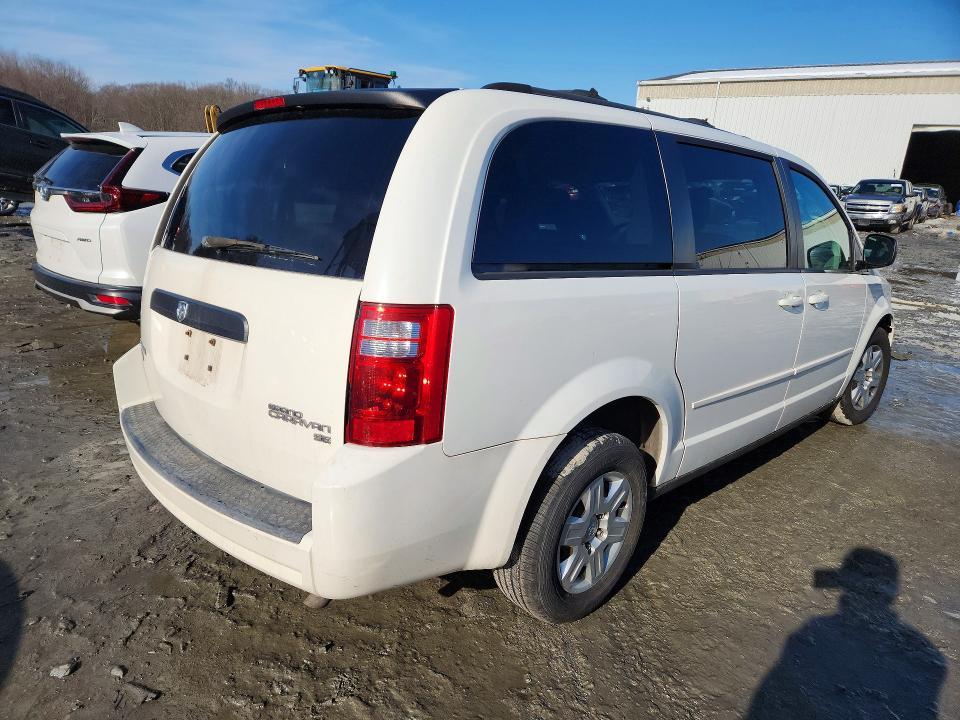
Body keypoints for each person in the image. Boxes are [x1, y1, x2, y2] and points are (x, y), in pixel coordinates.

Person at [746, 548, 946, 719]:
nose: (847, 600)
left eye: (853, 593)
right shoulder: (924, 654)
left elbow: (768, 705)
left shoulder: (818, 634)